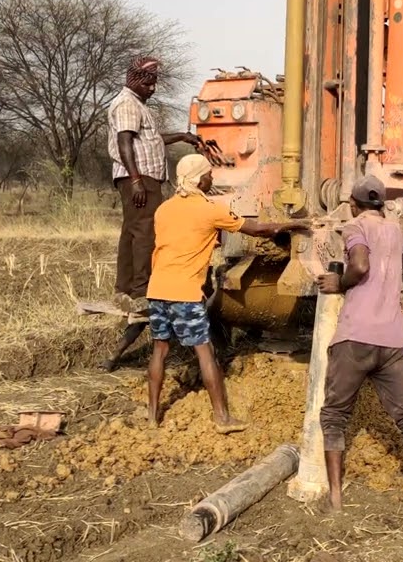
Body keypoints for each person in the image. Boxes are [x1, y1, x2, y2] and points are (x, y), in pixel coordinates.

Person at [145, 154, 308, 430]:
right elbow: (256, 229)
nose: (212, 179)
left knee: (159, 350)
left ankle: (151, 417)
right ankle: (222, 418)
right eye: (209, 175)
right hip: (185, 292)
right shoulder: (211, 209)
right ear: (198, 179)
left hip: (157, 288)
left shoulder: (163, 209)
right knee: (205, 351)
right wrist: (294, 225)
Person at [315, 176, 403, 520]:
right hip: (394, 342)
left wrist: (339, 283)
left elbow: (360, 264)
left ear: (353, 203)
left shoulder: (354, 225)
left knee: (335, 416)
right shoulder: (395, 231)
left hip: (355, 338)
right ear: (381, 204)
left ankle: (336, 502)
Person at [103, 55, 203, 372]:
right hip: (140, 178)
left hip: (142, 177)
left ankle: (126, 287)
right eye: (148, 82)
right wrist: (135, 180)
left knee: (132, 231)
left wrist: (182, 137)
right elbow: (125, 142)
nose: (152, 87)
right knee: (146, 232)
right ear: (134, 81)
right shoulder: (128, 104)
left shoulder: (136, 105)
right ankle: (140, 290)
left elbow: (150, 140)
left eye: (153, 82)